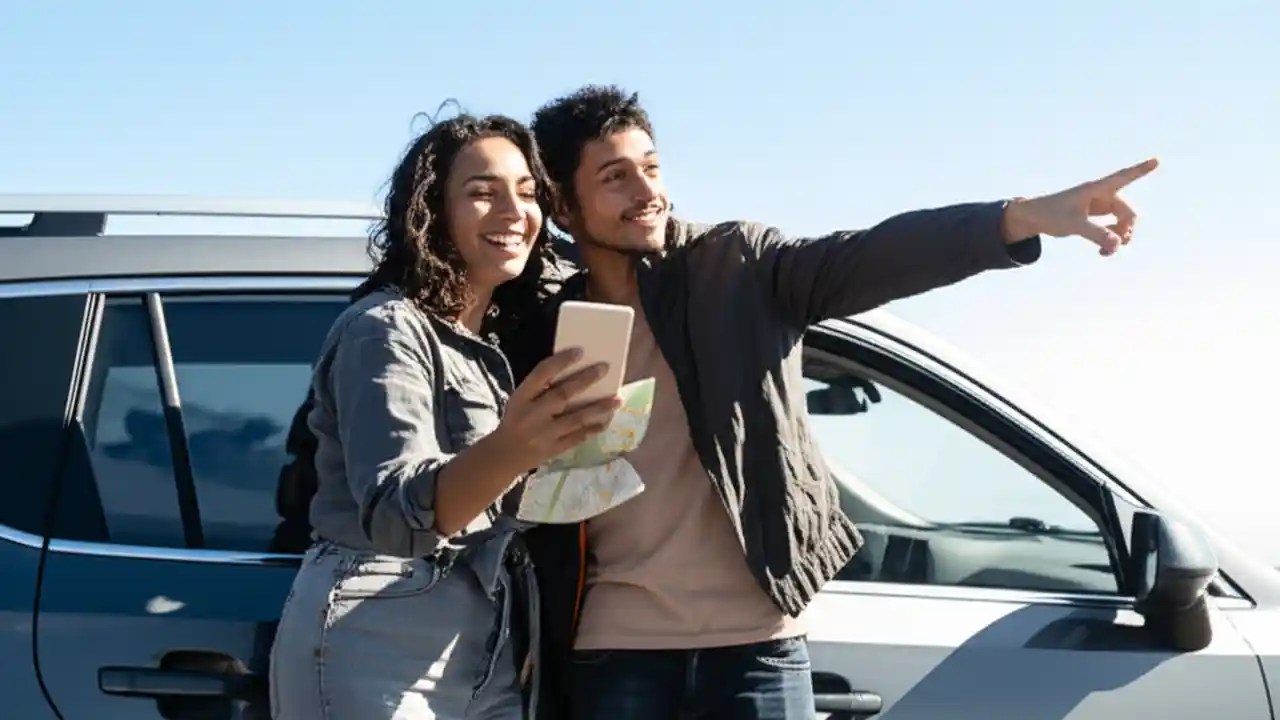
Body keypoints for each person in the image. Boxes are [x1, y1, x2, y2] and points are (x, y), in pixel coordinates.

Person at [504, 85, 1159, 720]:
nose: (648, 193)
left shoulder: (735, 267)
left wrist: (1017, 218)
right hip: (613, 655)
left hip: (757, 646)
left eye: (651, 168)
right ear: (563, 206)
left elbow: (873, 256)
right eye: (616, 177)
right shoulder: (547, 325)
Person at [268, 112, 621, 720]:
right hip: (378, 625)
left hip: (493, 640)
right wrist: (516, 446)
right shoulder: (384, 330)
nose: (514, 212)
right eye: (483, 193)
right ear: (432, 211)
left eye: (528, 192)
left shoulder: (493, 346)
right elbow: (396, 515)